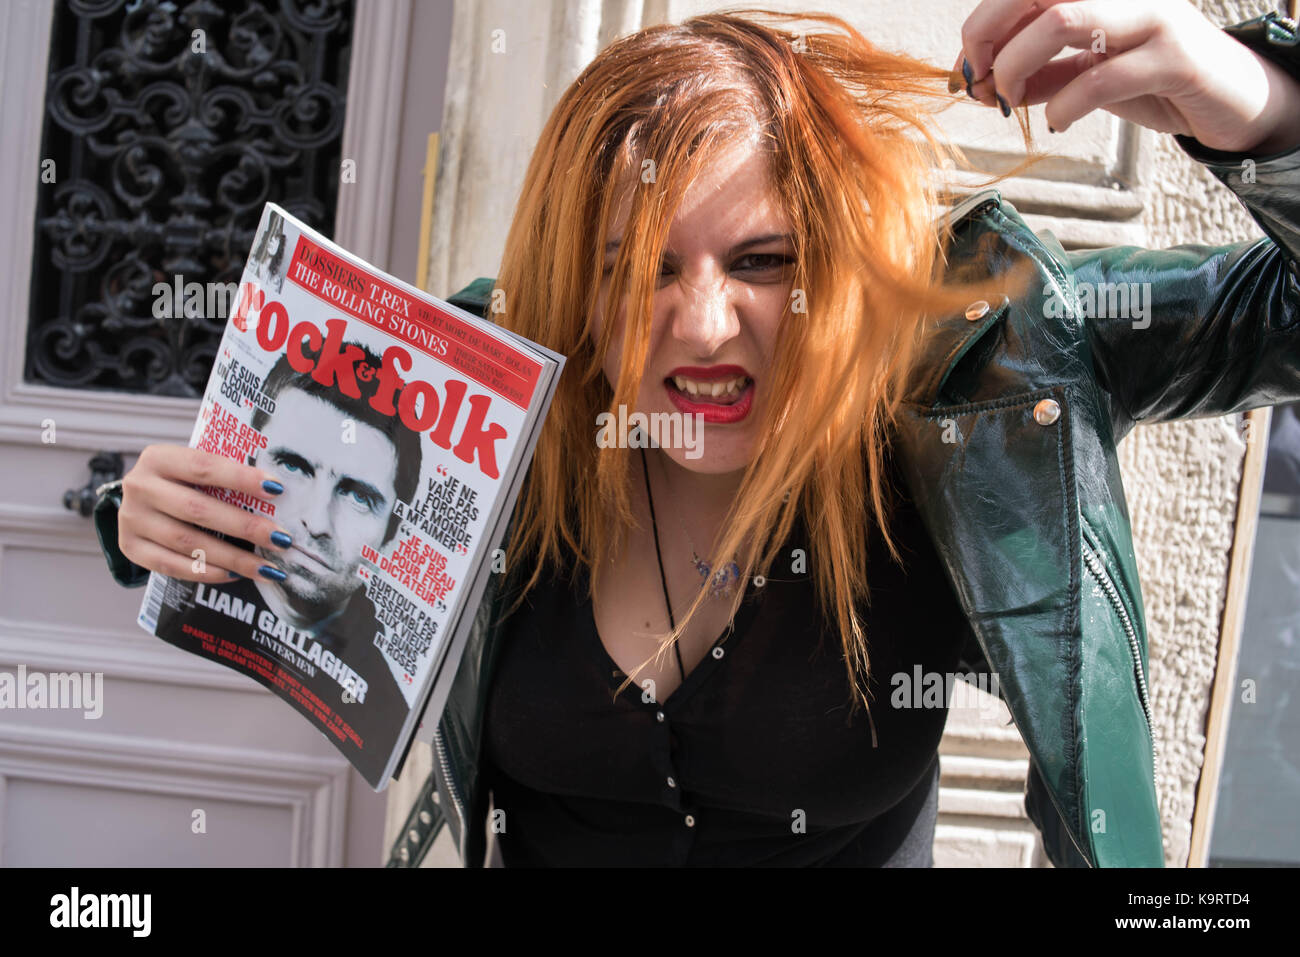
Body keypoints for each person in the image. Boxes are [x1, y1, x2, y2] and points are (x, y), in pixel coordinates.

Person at [96, 2, 1300, 866]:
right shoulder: (467, 403)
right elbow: (228, 512)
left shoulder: (988, 374)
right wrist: (136, 514)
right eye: (635, 269)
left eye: (766, 262)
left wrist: (1255, 104)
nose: (706, 325)